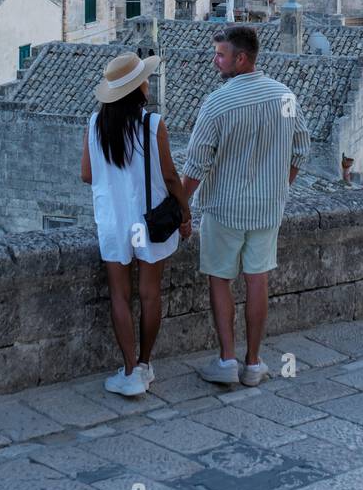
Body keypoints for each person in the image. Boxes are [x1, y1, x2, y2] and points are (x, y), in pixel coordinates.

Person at [181, 26, 310, 388]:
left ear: (240, 58)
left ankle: (226, 360)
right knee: (258, 280)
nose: (214, 61)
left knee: (220, 280)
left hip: (224, 207)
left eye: (220, 54)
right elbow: (302, 150)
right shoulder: (284, 96)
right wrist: (278, 186)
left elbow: (196, 164)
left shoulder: (218, 102)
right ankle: (253, 363)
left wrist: (183, 206)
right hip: (268, 208)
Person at [81, 52, 191, 397]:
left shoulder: (94, 124)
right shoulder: (153, 124)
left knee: (119, 294)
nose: (147, 82)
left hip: (114, 220)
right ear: (136, 89)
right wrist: (185, 214)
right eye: (143, 78)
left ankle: (128, 372)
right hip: (149, 220)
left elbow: (87, 174)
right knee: (149, 293)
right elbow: (172, 177)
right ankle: (144, 365)